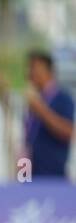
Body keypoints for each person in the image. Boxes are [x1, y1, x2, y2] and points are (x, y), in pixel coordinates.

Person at [23, 50, 73, 179]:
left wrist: (41, 111)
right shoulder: (35, 101)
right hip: (29, 174)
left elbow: (68, 132)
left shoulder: (62, 98)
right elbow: (27, 140)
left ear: (48, 71)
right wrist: (22, 174)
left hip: (52, 176)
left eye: (34, 68)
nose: (30, 73)